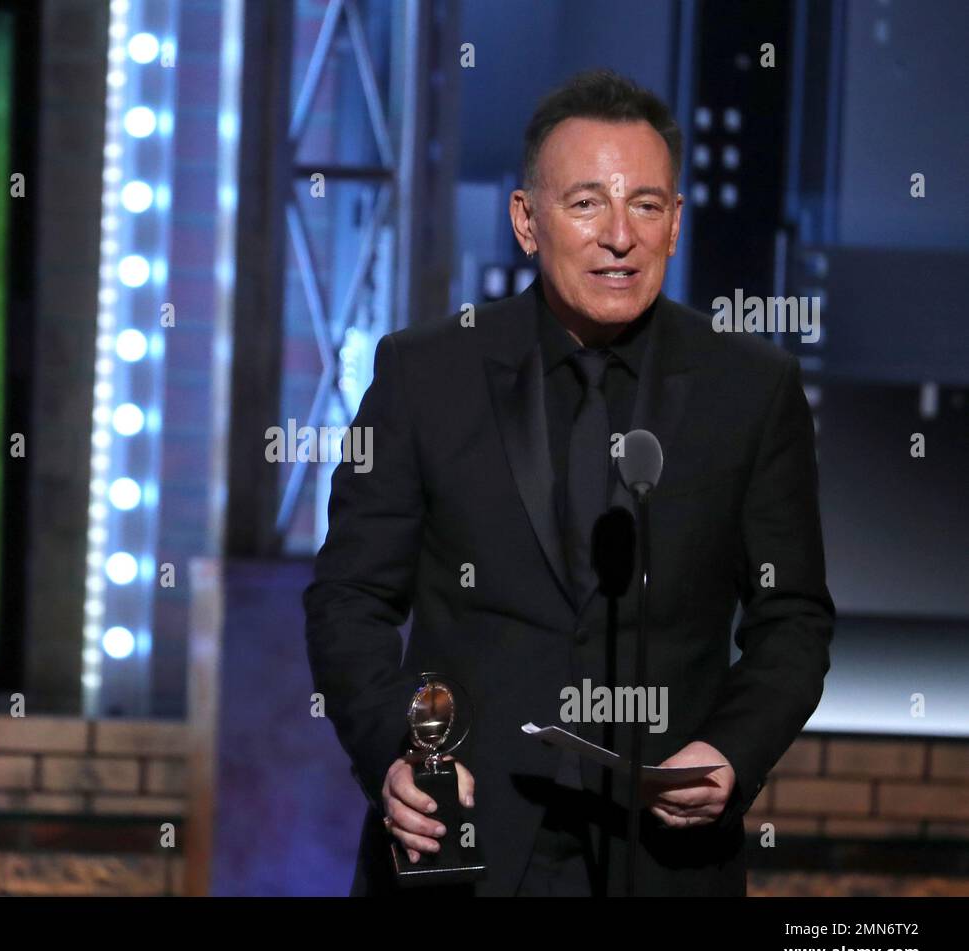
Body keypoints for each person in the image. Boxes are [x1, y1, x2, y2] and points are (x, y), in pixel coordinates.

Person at [303, 69, 834, 896]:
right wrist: (391, 751)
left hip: (661, 855)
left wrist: (732, 747)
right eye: (587, 203)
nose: (619, 236)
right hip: (464, 842)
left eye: (647, 206)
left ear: (675, 224)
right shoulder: (426, 373)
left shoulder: (751, 388)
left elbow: (793, 616)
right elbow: (349, 595)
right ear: (526, 221)